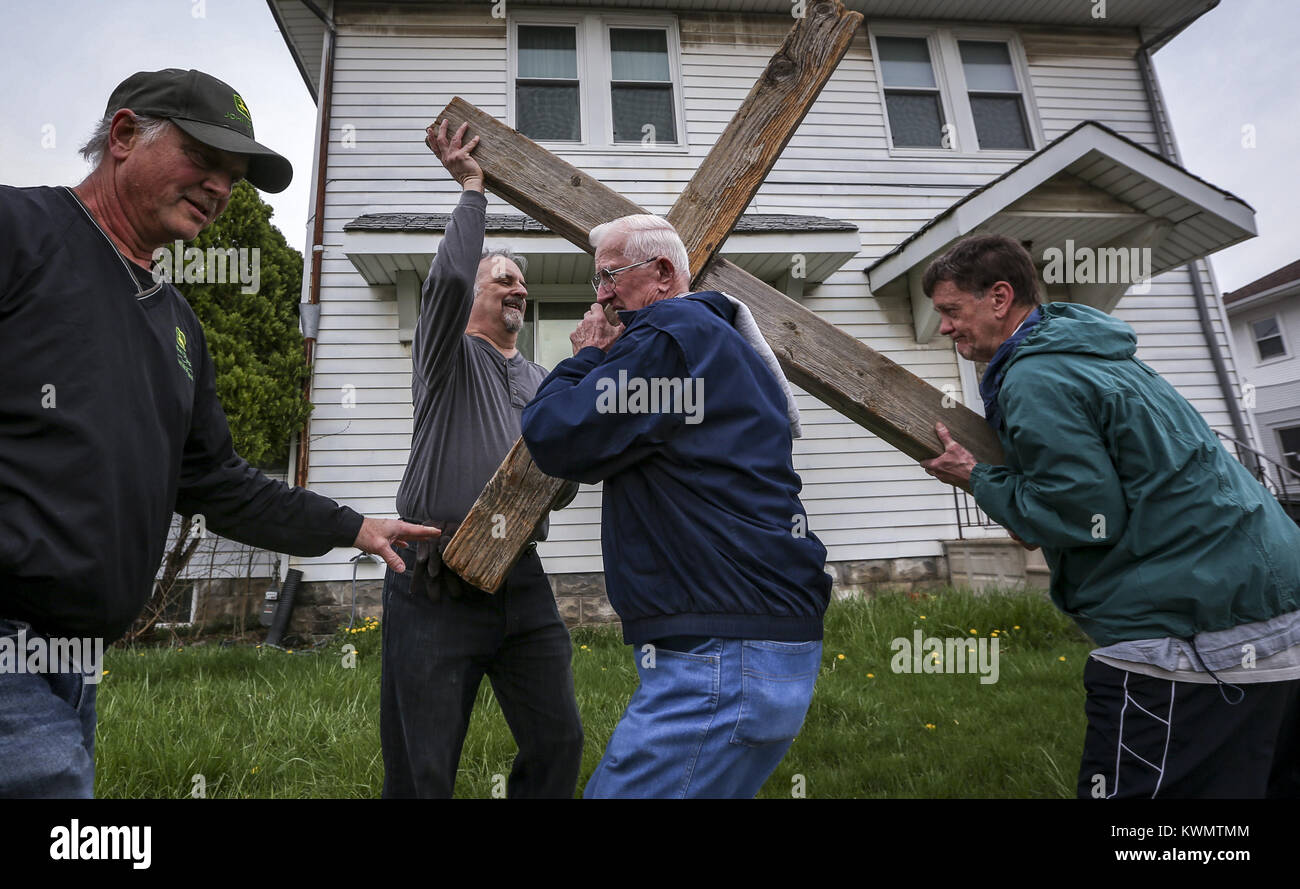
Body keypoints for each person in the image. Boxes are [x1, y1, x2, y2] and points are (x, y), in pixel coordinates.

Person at [0, 68, 440, 799]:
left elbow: (216, 484)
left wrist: (353, 526)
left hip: (72, 668)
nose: (219, 188)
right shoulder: (21, 232)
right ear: (123, 136)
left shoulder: (179, 328)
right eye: (202, 160)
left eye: (233, 177)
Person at [919, 233, 1300, 799]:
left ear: (1000, 297)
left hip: (1192, 637)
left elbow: (1084, 514)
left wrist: (976, 476)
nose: (945, 327)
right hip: (1276, 611)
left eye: (951, 311)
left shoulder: (1036, 377)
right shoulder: (1091, 354)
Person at [520, 213, 832, 799]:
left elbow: (555, 434)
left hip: (721, 650)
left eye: (611, 275)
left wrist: (586, 356)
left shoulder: (667, 338)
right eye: (597, 281)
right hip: (762, 637)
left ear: (662, 273)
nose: (603, 294)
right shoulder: (721, 344)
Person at [380, 120, 584, 799]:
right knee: (424, 767)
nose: (519, 288)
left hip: (520, 581)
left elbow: (565, 484)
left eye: (523, 281)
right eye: (503, 277)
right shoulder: (444, 359)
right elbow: (440, 287)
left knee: (559, 739)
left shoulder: (539, 380)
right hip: (433, 583)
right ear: (472, 292)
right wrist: (473, 190)